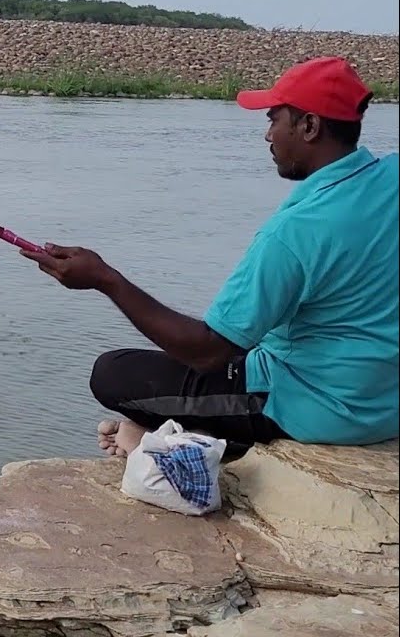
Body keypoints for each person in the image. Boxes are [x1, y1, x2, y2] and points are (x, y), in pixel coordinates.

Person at [20, 55, 399, 458]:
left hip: (330, 411)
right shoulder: (391, 176)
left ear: (309, 126)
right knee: (243, 338)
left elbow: (207, 352)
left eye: (274, 120)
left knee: (114, 373)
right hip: (386, 399)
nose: (268, 136)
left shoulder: (296, 231)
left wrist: (105, 279)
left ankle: (186, 445)